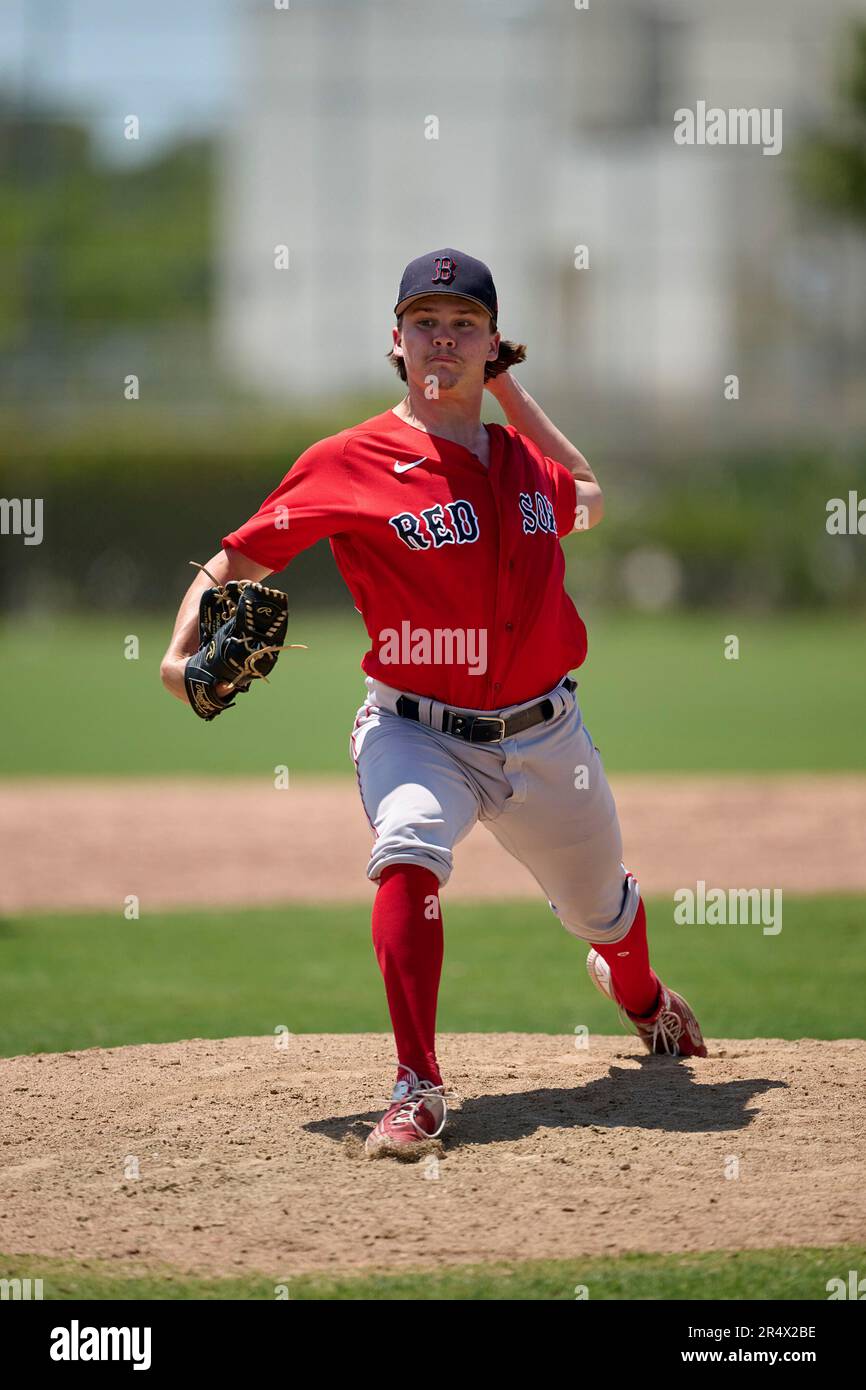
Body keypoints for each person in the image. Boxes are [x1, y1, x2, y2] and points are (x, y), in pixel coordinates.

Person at [160, 247, 707, 1160]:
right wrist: (178, 660)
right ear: (398, 342)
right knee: (407, 848)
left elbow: (595, 500)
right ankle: (416, 1085)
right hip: (416, 730)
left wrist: (512, 397)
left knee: (603, 914)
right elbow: (235, 561)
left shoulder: (526, 465)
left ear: (493, 343)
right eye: (426, 323)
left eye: (464, 325)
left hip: (547, 734)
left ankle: (644, 1000)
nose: (442, 340)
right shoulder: (350, 460)